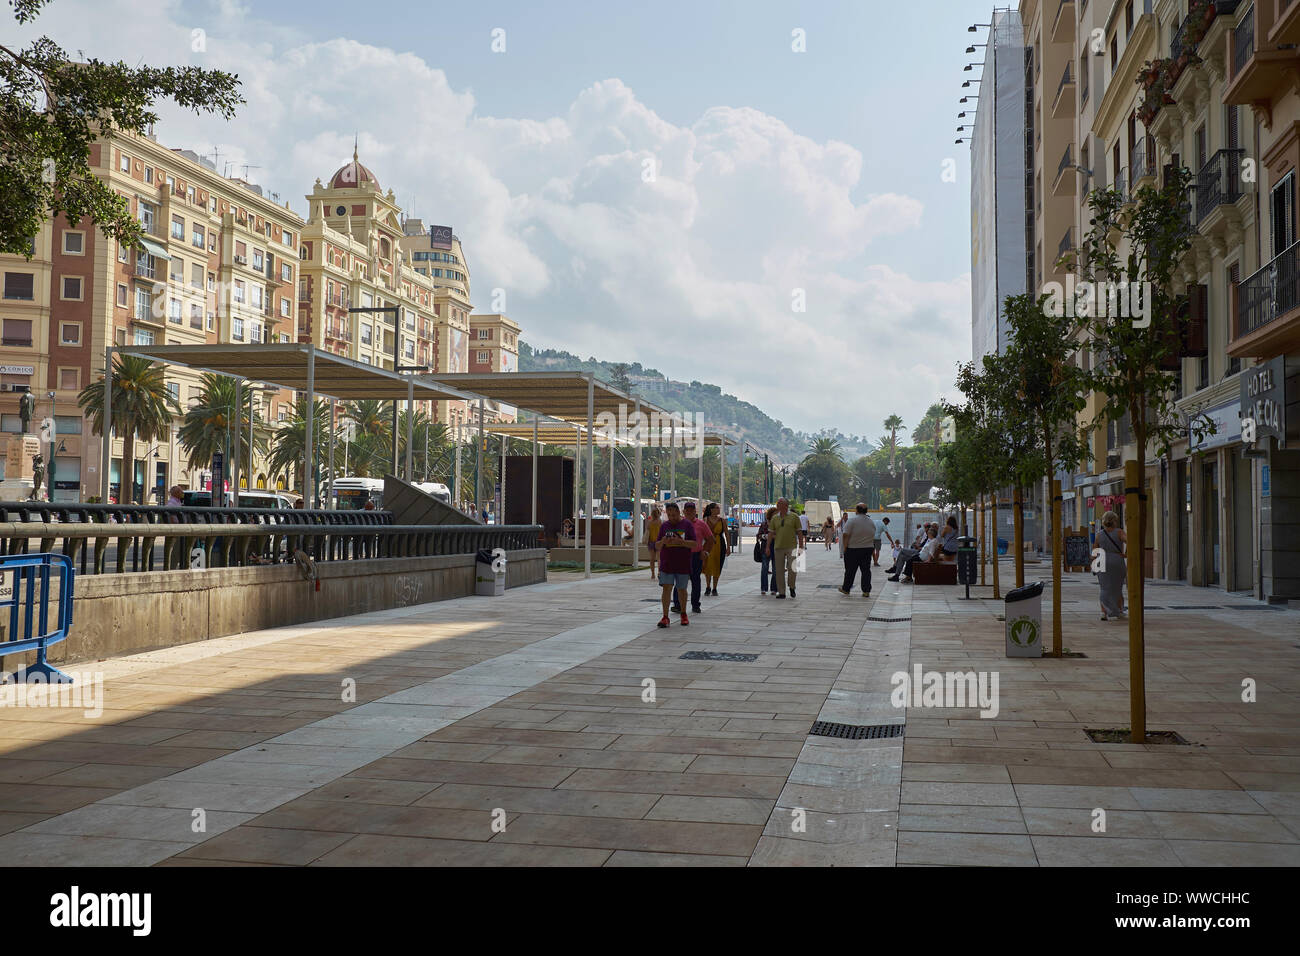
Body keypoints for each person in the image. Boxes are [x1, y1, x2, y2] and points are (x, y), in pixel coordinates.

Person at [654, 502, 696, 628]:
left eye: (674, 514)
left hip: (682, 562)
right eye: (669, 515)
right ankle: (665, 616)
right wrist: (663, 541)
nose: (672, 517)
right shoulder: (664, 526)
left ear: (679, 512)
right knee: (666, 588)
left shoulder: (687, 525)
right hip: (667, 562)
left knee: (682, 589)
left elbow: (694, 544)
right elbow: (656, 545)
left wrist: (681, 542)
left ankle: (683, 613)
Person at [678, 501, 714, 614]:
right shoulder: (679, 524)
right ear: (683, 511)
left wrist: (705, 552)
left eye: (691, 510)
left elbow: (711, 539)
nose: (689, 513)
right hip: (682, 555)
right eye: (687, 511)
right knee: (679, 580)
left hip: (695, 555)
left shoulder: (701, 524)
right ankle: (677, 604)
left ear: (695, 511)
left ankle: (695, 604)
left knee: (695, 580)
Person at [766, 497, 805, 599]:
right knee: (778, 570)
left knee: (792, 569)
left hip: (791, 546)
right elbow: (770, 533)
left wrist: (801, 546)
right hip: (778, 547)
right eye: (777, 504)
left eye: (780, 504)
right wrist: (767, 547)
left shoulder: (794, 517)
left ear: (786, 506)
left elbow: (799, 532)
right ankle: (782, 592)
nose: (778, 506)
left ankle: (792, 586)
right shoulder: (775, 518)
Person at [837, 503, 876, 596]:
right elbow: (873, 534)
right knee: (866, 570)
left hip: (853, 549)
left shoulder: (852, 521)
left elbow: (845, 535)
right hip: (867, 549)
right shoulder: (871, 521)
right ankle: (866, 591)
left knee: (850, 570)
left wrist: (845, 548)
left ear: (857, 510)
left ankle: (846, 589)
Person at [1096, 510, 1127, 621]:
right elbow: (1129, 541)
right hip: (1117, 561)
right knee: (1117, 588)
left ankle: (1103, 612)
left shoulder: (1099, 534)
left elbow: (1095, 551)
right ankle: (1119, 611)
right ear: (1115, 521)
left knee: (1104, 588)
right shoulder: (1119, 532)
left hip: (1103, 562)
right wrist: (1125, 554)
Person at [702, 502, 729, 595]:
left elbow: (726, 534)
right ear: (712, 509)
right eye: (717, 508)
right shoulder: (705, 520)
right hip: (708, 544)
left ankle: (715, 588)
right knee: (707, 565)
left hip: (719, 544)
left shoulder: (722, 521)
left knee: (718, 565)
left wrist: (728, 547)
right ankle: (708, 586)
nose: (718, 509)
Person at [757, 506, 777, 595]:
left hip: (776, 547)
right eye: (774, 514)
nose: (776, 516)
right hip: (765, 547)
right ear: (770, 515)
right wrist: (767, 536)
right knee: (764, 568)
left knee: (775, 569)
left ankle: (774, 588)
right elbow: (759, 535)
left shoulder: (779, 524)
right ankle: (763, 588)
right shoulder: (764, 524)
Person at [646, 506, 662, 580]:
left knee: (652, 559)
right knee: (659, 558)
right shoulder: (660, 522)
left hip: (651, 541)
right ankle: (659, 572)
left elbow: (647, 532)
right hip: (659, 541)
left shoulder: (649, 522)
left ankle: (652, 574)